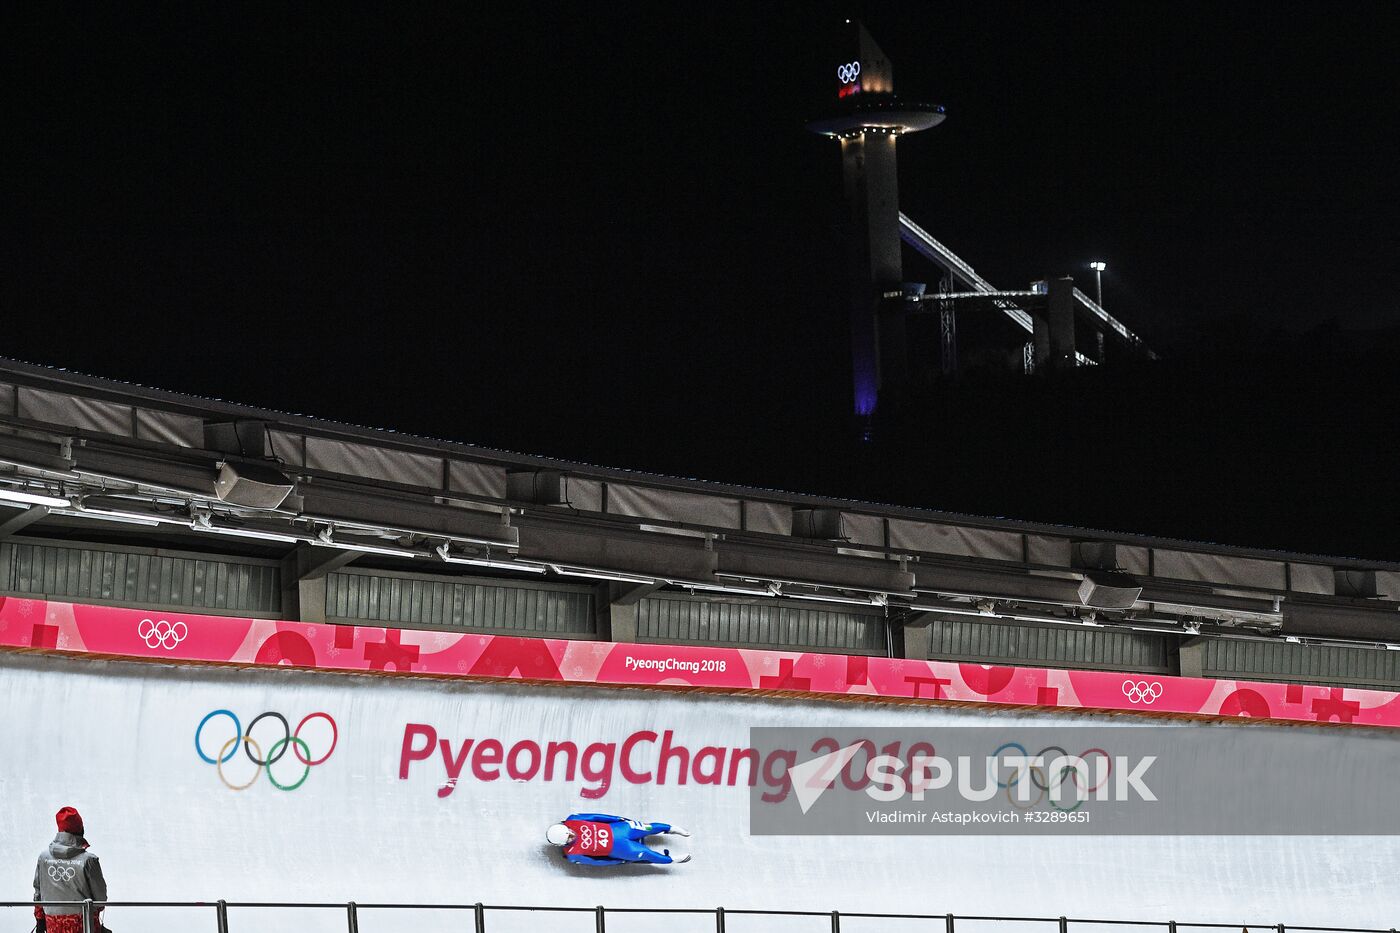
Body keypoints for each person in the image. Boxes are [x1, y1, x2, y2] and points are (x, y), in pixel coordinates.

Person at [33, 807, 108, 933]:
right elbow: (100, 899)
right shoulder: (89, 860)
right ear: (80, 829)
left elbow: (38, 893)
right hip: (84, 924)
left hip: (53, 925)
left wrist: (40, 919)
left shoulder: (43, 858)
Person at [546, 813, 690, 865]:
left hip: (620, 830)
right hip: (621, 850)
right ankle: (672, 860)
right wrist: (616, 861)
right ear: (563, 844)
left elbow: (596, 817)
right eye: (570, 838)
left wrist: (616, 819)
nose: (573, 834)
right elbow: (596, 862)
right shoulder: (573, 854)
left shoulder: (573, 819)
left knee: (647, 827)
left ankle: (671, 828)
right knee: (646, 854)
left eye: (569, 832)